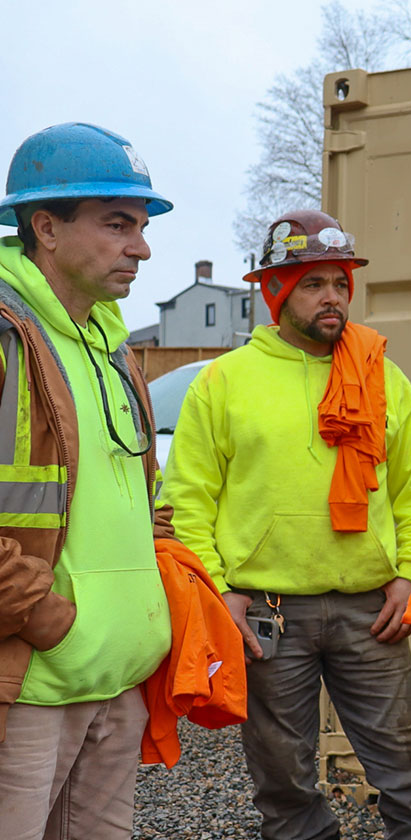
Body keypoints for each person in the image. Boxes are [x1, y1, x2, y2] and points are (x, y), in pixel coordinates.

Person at [162, 210, 411, 840]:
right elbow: (188, 500)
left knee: (410, 776)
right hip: (268, 616)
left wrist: (409, 577)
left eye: (341, 282)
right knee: (284, 784)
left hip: (372, 610)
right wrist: (220, 594)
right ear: (276, 291)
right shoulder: (224, 383)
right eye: (315, 282)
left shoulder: (382, 376)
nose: (333, 296)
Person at [0, 123, 174, 838]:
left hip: (118, 684)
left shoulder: (116, 350)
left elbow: (142, 504)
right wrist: (43, 617)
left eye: (139, 226)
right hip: (34, 685)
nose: (142, 247)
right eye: (117, 225)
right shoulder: (8, 338)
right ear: (45, 226)